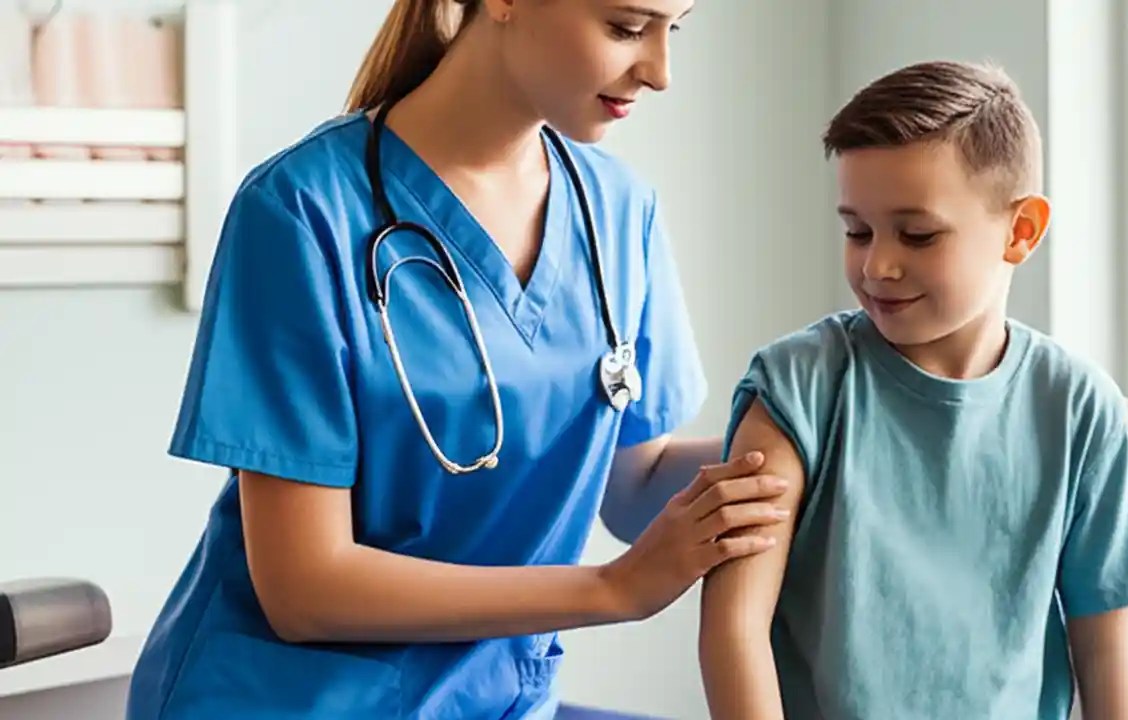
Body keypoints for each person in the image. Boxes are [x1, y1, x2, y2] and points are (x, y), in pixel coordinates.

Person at [123, 1, 794, 718]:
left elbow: (635, 487)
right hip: (289, 701)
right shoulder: (300, 211)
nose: (660, 72)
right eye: (626, 28)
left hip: (493, 702)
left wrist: (813, 443)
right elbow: (303, 591)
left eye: (674, 29)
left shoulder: (619, 210)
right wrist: (615, 589)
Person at [697, 60, 1128, 720]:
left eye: (917, 234)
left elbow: (1106, 652)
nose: (876, 265)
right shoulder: (796, 388)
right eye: (856, 230)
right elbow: (734, 629)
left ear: (1021, 231)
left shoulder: (1082, 410)